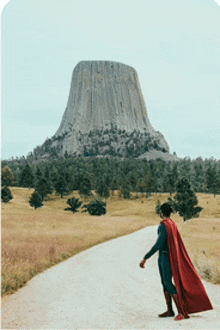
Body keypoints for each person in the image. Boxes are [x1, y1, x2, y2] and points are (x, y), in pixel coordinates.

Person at [139, 202, 213, 321]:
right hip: (168, 257)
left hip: (165, 257)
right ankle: (170, 310)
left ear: (161, 212)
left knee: (167, 282)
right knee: (165, 282)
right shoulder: (172, 223)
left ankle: (181, 311)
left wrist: (145, 257)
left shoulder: (164, 225)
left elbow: (159, 243)